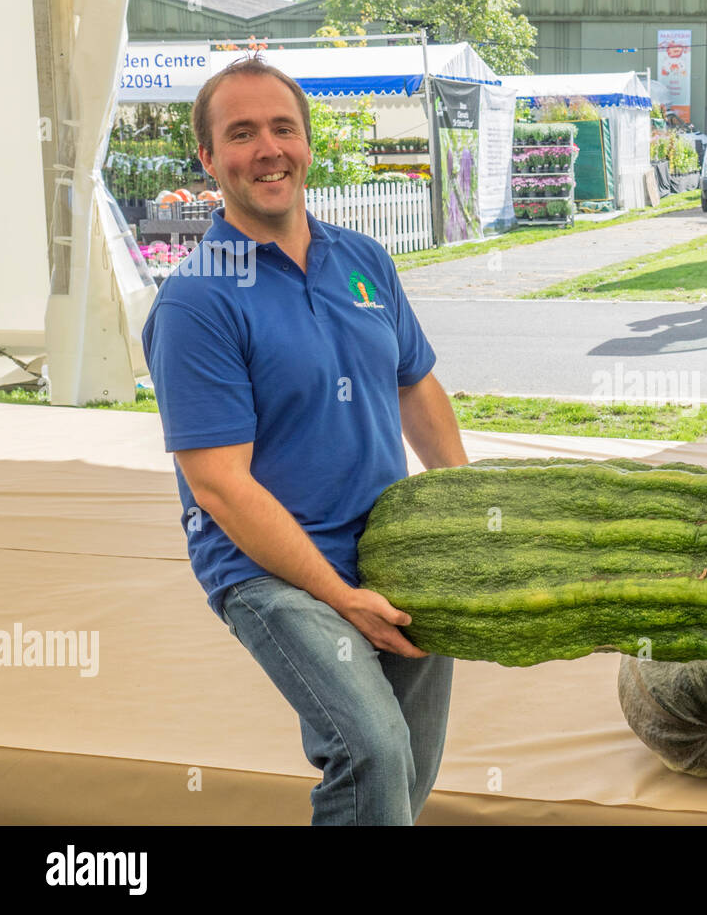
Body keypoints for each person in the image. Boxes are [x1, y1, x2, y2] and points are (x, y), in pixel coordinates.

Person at [141, 56, 469, 825]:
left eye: (283, 128)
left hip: (397, 544)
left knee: (407, 771)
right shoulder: (197, 301)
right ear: (209, 158)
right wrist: (341, 595)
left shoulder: (363, 260)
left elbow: (414, 385)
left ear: (309, 143)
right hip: (274, 572)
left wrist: (473, 514)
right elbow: (220, 484)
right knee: (372, 751)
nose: (268, 149)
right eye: (242, 133)